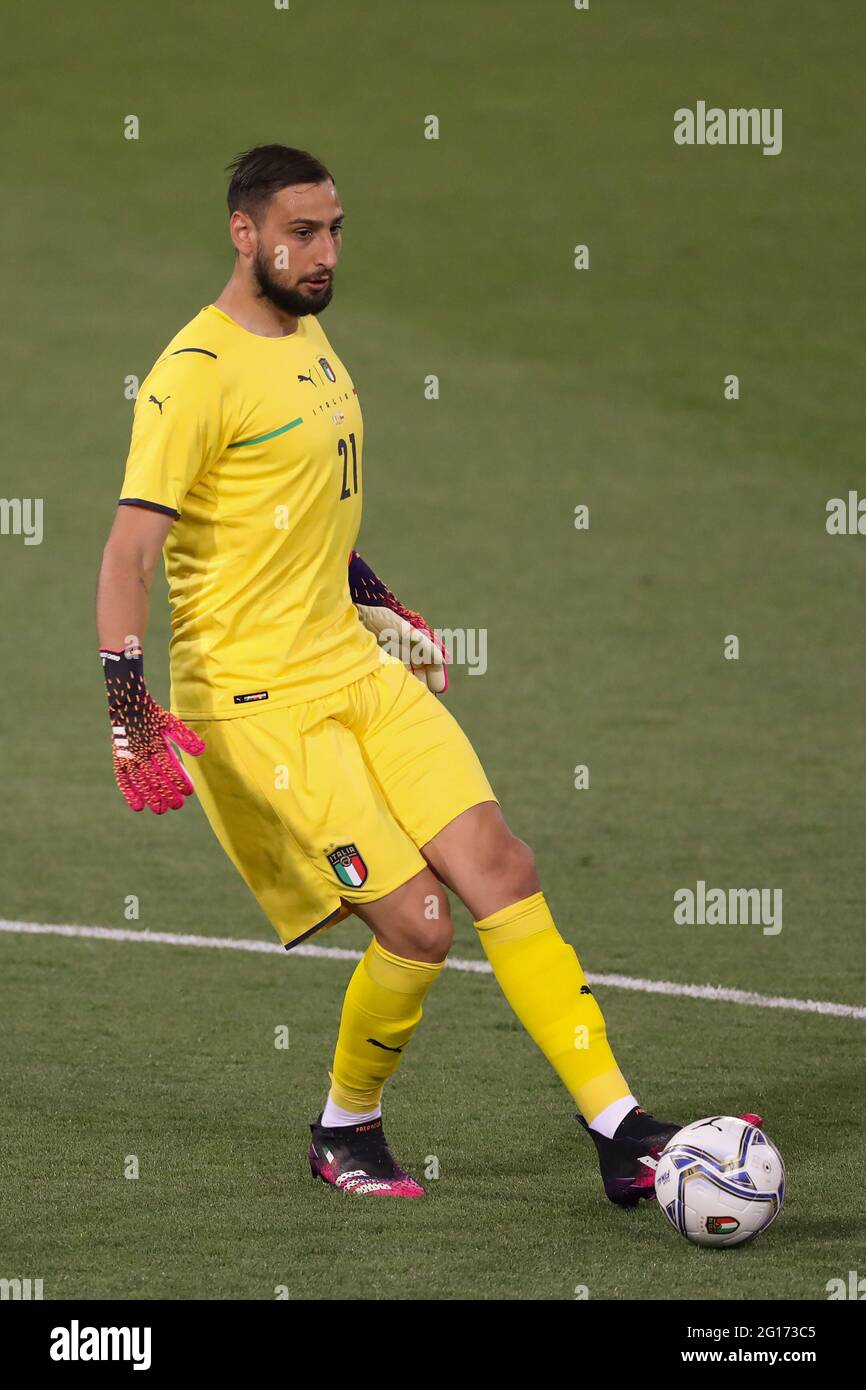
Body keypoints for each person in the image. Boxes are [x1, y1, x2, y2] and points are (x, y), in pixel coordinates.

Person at [96, 144, 681, 1202]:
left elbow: (297, 504)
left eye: (333, 231)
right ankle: (345, 1128)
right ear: (244, 233)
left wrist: (363, 586)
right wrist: (126, 700)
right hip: (259, 705)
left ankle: (620, 1130)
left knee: (499, 863)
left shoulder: (308, 337)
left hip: (348, 666)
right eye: (301, 233)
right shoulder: (194, 375)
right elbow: (129, 553)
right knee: (417, 926)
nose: (323, 254)